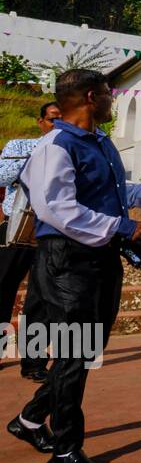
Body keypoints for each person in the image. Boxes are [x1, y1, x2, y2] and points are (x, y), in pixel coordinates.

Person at [7, 70, 141, 463]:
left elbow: (114, 192)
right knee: (74, 354)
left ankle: (30, 419)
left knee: (84, 353)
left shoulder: (99, 142)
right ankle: (66, 451)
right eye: (107, 94)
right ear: (90, 97)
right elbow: (57, 209)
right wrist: (123, 227)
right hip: (67, 261)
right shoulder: (56, 146)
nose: (112, 100)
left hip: (98, 258)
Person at [0, 101, 62, 380]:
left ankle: (34, 362)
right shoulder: (19, 146)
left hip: (51, 231)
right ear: (40, 122)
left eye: (62, 120)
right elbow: (2, 176)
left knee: (41, 296)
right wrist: (37, 155)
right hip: (16, 230)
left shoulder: (69, 152)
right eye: (52, 119)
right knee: (1, 289)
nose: (56, 125)